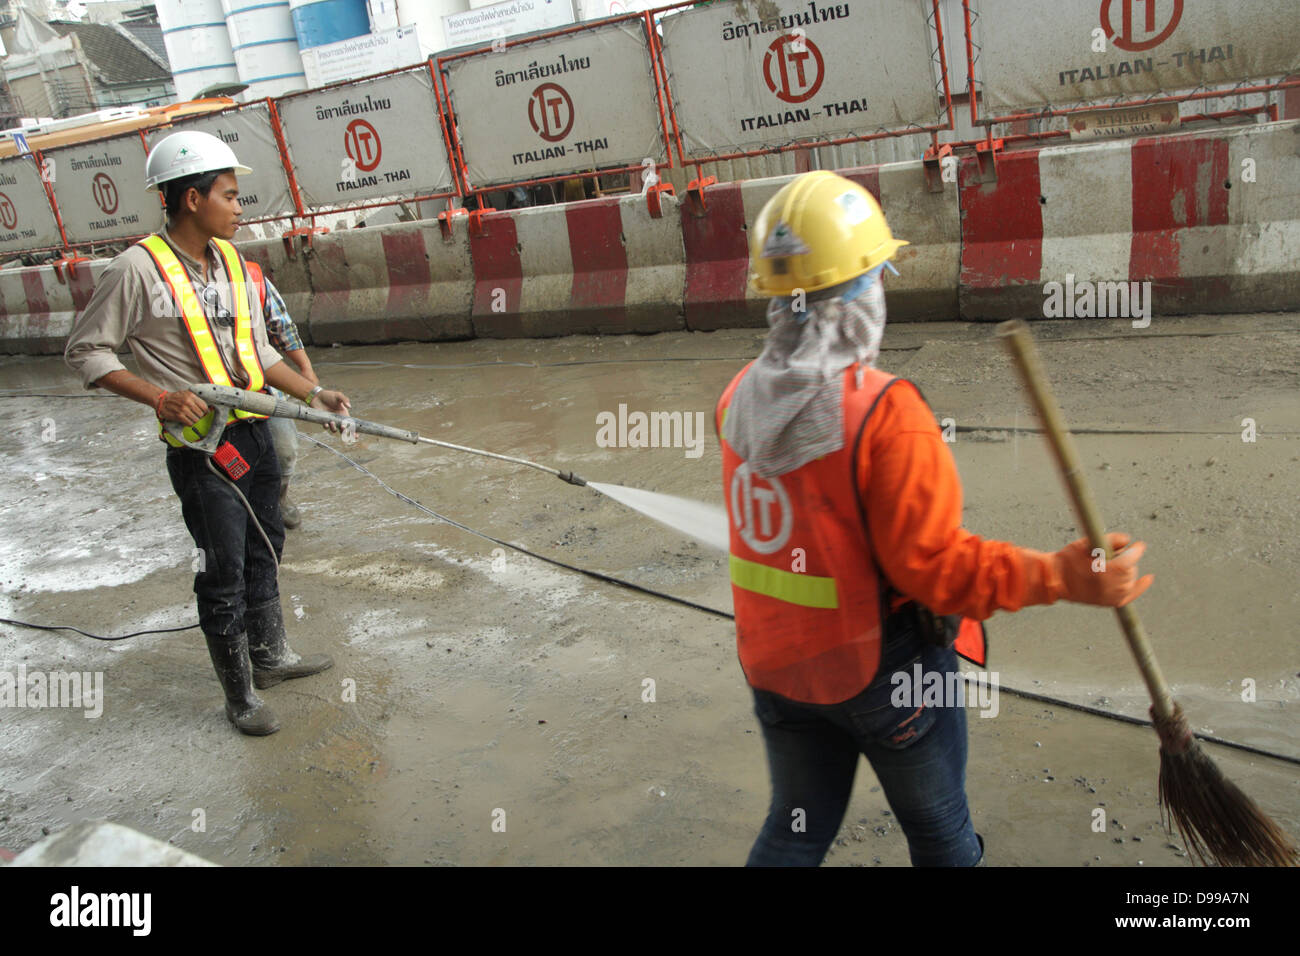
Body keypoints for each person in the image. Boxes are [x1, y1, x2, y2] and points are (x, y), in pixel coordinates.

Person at [716, 171, 1153, 866]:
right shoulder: (885, 414)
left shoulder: (738, 397)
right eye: (875, 276)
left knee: (793, 833)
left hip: (776, 668)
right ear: (862, 293)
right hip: (885, 678)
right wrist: (1062, 576)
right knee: (941, 832)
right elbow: (940, 573)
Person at [64, 130, 351, 736]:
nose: (240, 206)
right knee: (222, 567)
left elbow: (258, 357)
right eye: (230, 194)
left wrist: (311, 393)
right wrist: (159, 397)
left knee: (266, 543)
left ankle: (271, 656)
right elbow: (87, 352)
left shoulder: (236, 267)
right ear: (191, 199)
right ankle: (240, 694)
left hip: (255, 435)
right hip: (202, 448)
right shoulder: (135, 271)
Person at [247, 268, 314, 530]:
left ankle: (279, 497)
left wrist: (306, 373)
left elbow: (281, 326)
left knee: (285, 449)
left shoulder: (248, 274)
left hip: (262, 385)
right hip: (210, 398)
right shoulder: (170, 281)